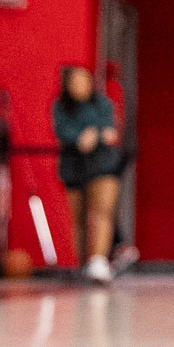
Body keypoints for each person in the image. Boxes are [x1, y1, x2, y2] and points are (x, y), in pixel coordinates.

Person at [52, 64, 125, 283]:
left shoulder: (102, 104)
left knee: (102, 211)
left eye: (84, 80)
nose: (80, 85)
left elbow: (110, 131)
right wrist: (79, 137)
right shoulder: (61, 107)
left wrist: (97, 135)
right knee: (79, 218)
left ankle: (99, 261)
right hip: (73, 164)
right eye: (75, 81)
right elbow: (62, 131)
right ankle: (81, 264)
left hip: (102, 163)